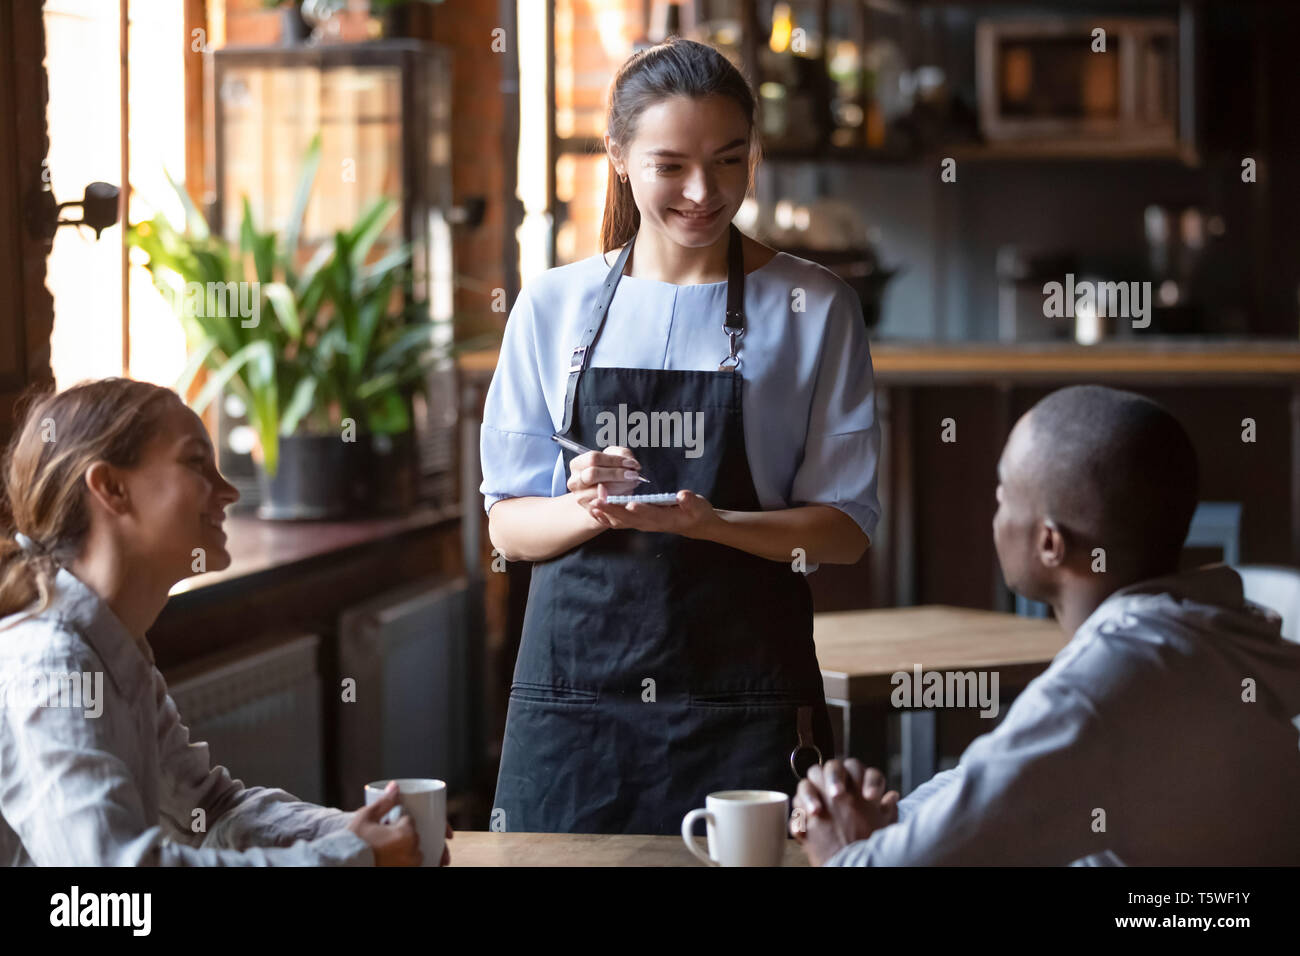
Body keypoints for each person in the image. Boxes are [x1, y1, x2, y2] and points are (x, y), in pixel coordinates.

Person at [481, 38, 881, 834]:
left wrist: (714, 524)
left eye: (730, 162)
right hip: (576, 712)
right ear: (620, 159)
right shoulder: (552, 306)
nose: (704, 192)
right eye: (672, 166)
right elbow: (508, 526)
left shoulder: (814, 305)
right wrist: (589, 505)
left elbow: (843, 533)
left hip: (747, 700)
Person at [794, 384, 1300, 866]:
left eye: (1002, 496)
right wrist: (891, 821)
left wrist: (837, 838)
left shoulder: (1103, 686)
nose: (994, 515)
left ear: (1050, 543)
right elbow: (988, 780)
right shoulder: (1211, 630)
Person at [0, 378, 449, 865]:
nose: (229, 491)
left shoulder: (112, 647)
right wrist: (347, 857)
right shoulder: (52, 665)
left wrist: (354, 830)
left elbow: (212, 811)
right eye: (196, 462)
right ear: (111, 488)